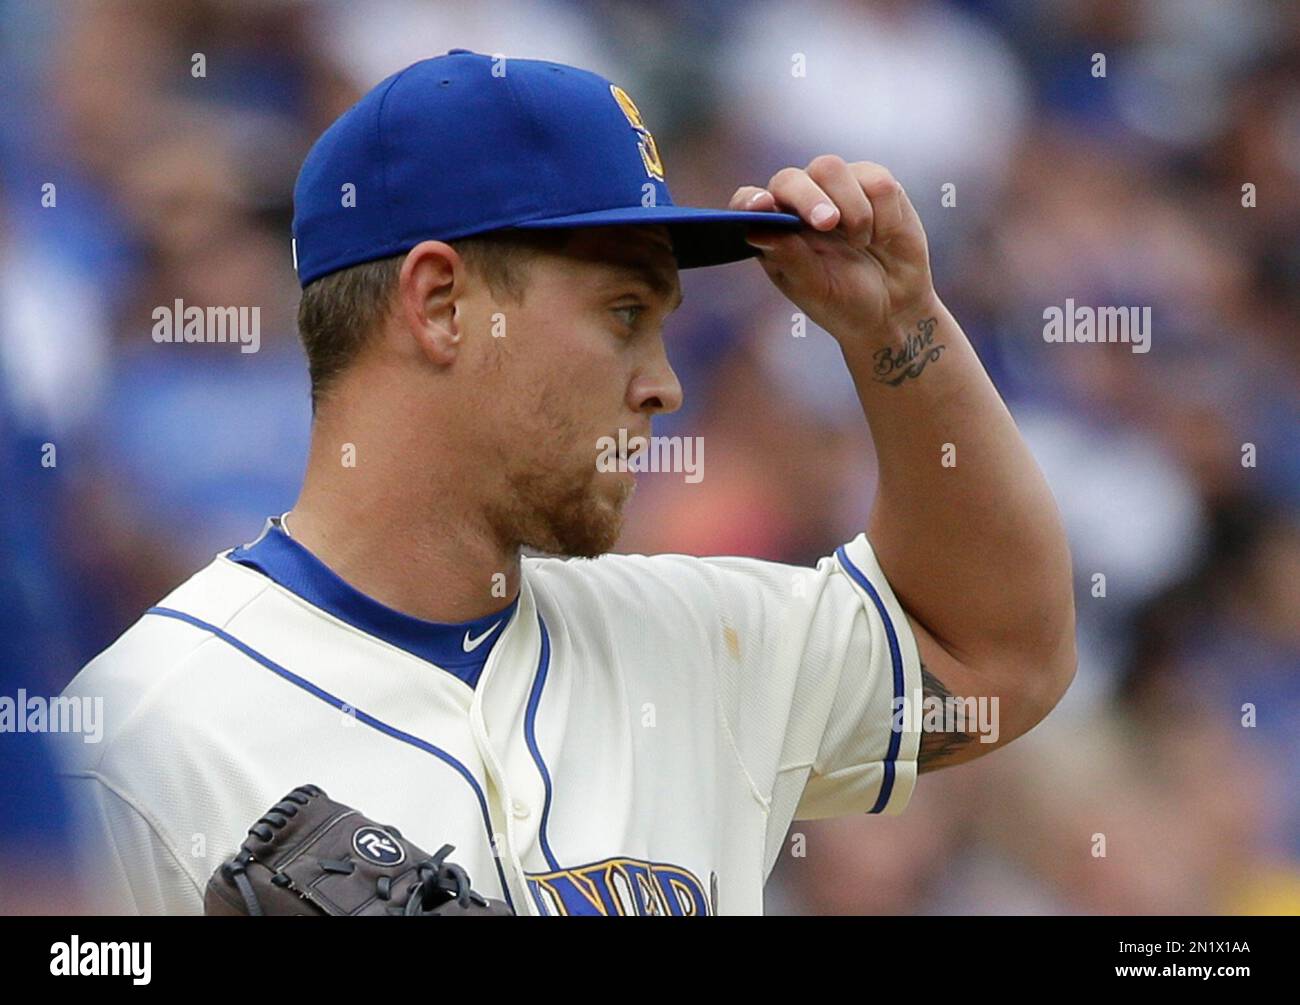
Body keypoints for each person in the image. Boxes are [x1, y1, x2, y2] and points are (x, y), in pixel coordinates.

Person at [56, 50, 1075, 916]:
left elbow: (1000, 656)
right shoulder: (142, 738)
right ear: (441, 303)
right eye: (625, 312)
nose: (666, 385)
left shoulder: (700, 642)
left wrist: (897, 328)